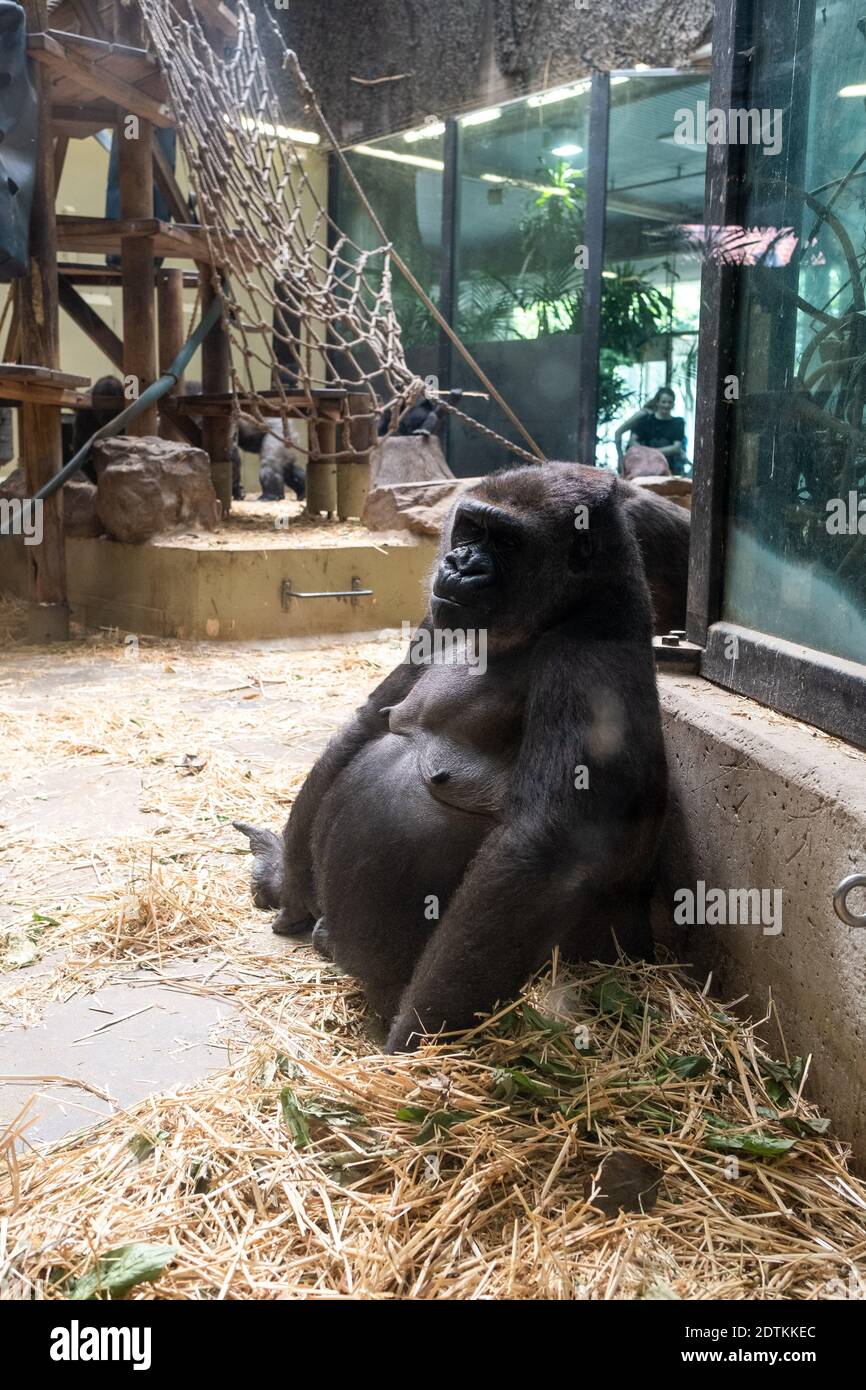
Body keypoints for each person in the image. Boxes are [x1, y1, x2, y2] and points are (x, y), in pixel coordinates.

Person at [614, 387, 692, 476]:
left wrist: (652, 452)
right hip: (644, 465)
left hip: (668, 465)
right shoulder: (646, 418)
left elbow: (676, 447)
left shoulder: (678, 422)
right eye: (664, 402)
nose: (666, 405)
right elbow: (632, 441)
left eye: (669, 402)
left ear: (673, 404)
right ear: (658, 402)